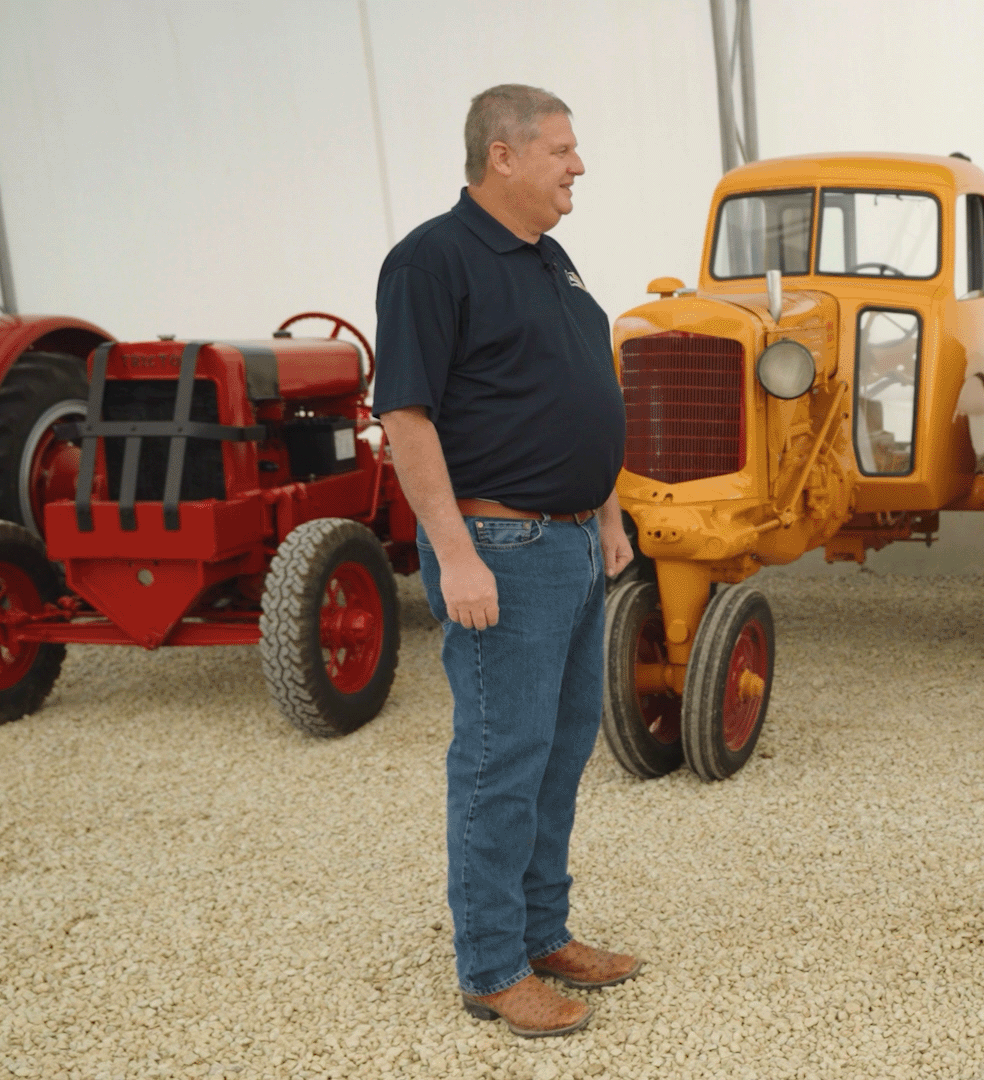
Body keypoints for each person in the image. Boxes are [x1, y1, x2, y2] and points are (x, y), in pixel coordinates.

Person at [373, 83, 639, 1039]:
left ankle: (541, 931)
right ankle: (491, 967)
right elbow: (406, 416)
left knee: (563, 752)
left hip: (570, 540)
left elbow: (579, 393)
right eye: (563, 150)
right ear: (504, 156)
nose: (578, 166)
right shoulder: (431, 261)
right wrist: (456, 557)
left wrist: (605, 513)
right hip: (501, 548)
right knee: (499, 759)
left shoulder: (551, 260)